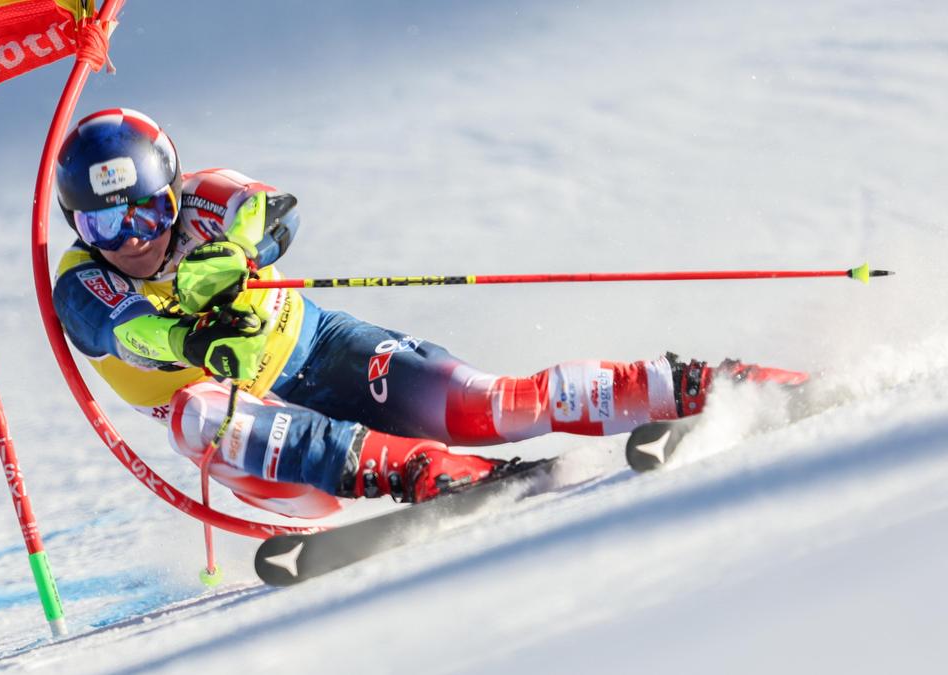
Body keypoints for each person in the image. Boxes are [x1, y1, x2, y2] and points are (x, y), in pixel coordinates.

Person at [52, 108, 807, 518]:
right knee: (198, 411)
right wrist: (192, 330)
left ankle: (704, 384)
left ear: (174, 192)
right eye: (106, 226)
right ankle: (423, 472)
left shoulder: (207, 199)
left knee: (490, 404)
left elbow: (271, 210)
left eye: (148, 213)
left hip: (319, 348)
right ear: (77, 227)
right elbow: (130, 331)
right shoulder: (80, 283)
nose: (137, 240)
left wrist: (237, 251)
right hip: (269, 460)